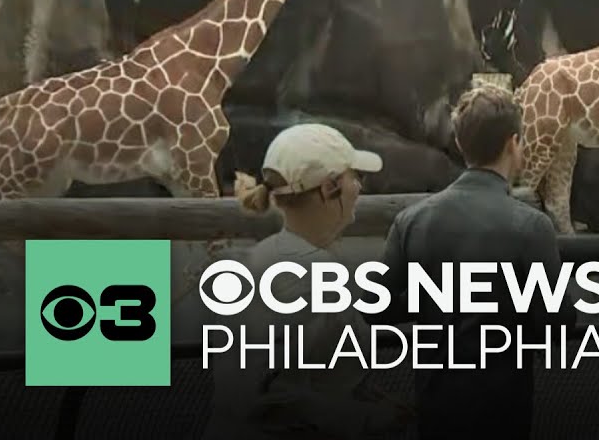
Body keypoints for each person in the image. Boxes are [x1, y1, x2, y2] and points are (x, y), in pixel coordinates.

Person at [371, 85, 576, 440]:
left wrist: (435, 297)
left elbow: (376, 308)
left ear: (462, 145)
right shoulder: (532, 226)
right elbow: (558, 321)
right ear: (514, 143)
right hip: (504, 404)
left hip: (435, 402)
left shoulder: (412, 219)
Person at [200, 123, 413, 440]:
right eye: (355, 176)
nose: (360, 187)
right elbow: (273, 401)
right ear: (330, 189)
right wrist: (371, 419)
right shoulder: (316, 275)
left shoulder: (248, 262)